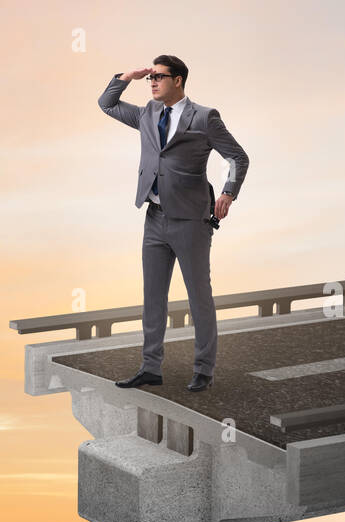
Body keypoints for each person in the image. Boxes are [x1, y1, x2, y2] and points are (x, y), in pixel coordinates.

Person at [98, 55, 249, 392]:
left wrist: (228, 193)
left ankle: (204, 369)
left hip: (191, 221)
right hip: (154, 219)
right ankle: (150, 367)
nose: (152, 82)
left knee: (199, 297)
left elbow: (238, 157)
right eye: (150, 77)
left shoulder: (205, 118)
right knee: (153, 297)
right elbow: (106, 103)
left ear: (178, 80)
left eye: (159, 77)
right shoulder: (147, 113)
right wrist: (128, 76)